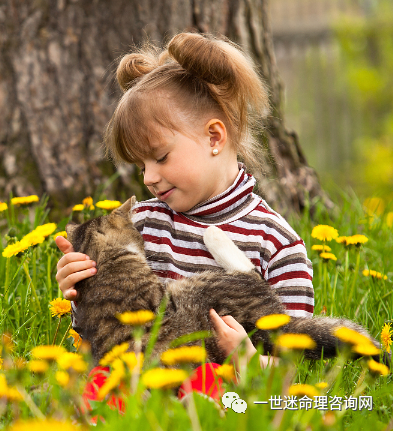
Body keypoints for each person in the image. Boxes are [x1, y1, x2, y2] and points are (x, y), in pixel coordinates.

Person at [55, 32, 313, 403]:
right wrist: (80, 293)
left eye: (160, 158)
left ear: (214, 138)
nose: (148, 177)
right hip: (142, 379)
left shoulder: (272, 240)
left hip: (227, 392)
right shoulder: (142, 225)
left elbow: (296, 359)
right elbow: (105, 336)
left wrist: (246, 356)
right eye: (141, 165)